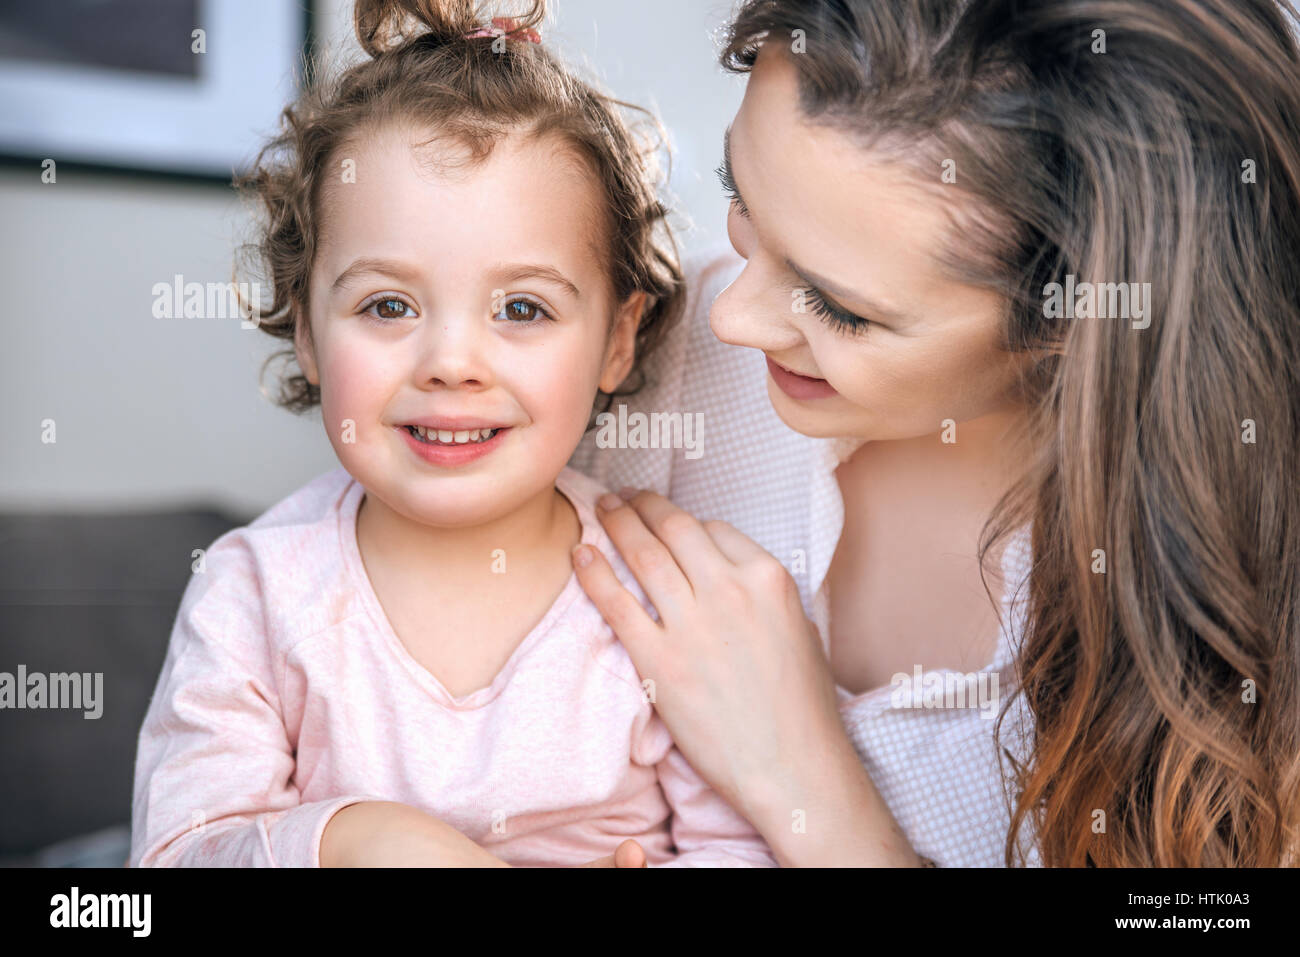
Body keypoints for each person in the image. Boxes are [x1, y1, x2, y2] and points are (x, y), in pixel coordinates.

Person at [571, 0, 1300, 866]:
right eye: (741, 199)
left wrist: (810, 787)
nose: (729, 315)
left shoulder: (1256, 630)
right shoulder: (608, 368)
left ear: (1073, 321)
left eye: (839, 308)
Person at [128, 0, 776, 868]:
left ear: (617, 340)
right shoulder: (253, 594)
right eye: (387, 305)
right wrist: (358, 842)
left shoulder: (657, 594)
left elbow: (746, 846)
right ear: (310, 334)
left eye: (522, 307)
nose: (451, 362)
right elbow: (171, 860)